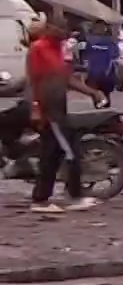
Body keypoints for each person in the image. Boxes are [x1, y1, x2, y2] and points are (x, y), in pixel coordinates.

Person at [25, 12, 106, 213]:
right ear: (49, 28)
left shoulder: (58, 50)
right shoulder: (39, 49)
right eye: (59, 28)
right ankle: (71, 197)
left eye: (65, 29)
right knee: (69, 152)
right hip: (48, 109)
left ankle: (43, 199)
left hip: (59, 106)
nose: (63, 32)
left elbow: (67, 78)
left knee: (52, 155)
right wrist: (36, 107)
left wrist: (92, 92)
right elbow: (32, 80)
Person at [82, 20, 118, 108]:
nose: (100, 29)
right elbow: (86, 56)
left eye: (102, 27)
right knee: (94, 88)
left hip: (106, 71)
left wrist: (110, 69)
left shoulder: (110, 41)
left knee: (106, 89)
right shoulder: (90, 41)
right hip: (93, 71)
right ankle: (98, 102)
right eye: (98, 27)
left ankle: (105, 103)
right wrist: (86, 68)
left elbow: (114, 57)